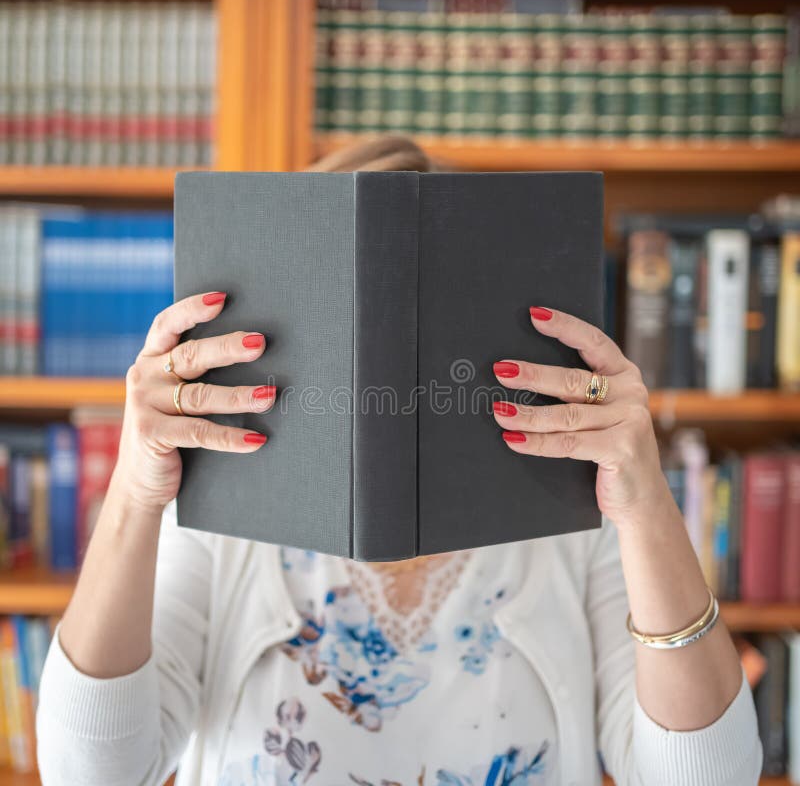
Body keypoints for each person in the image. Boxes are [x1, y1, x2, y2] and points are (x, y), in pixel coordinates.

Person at [36, 137, 761, 786]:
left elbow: (709, 778)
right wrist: (135, 494)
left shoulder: (572, 515)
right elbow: (87, 772)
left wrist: (645, 504)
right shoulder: (222, 508)